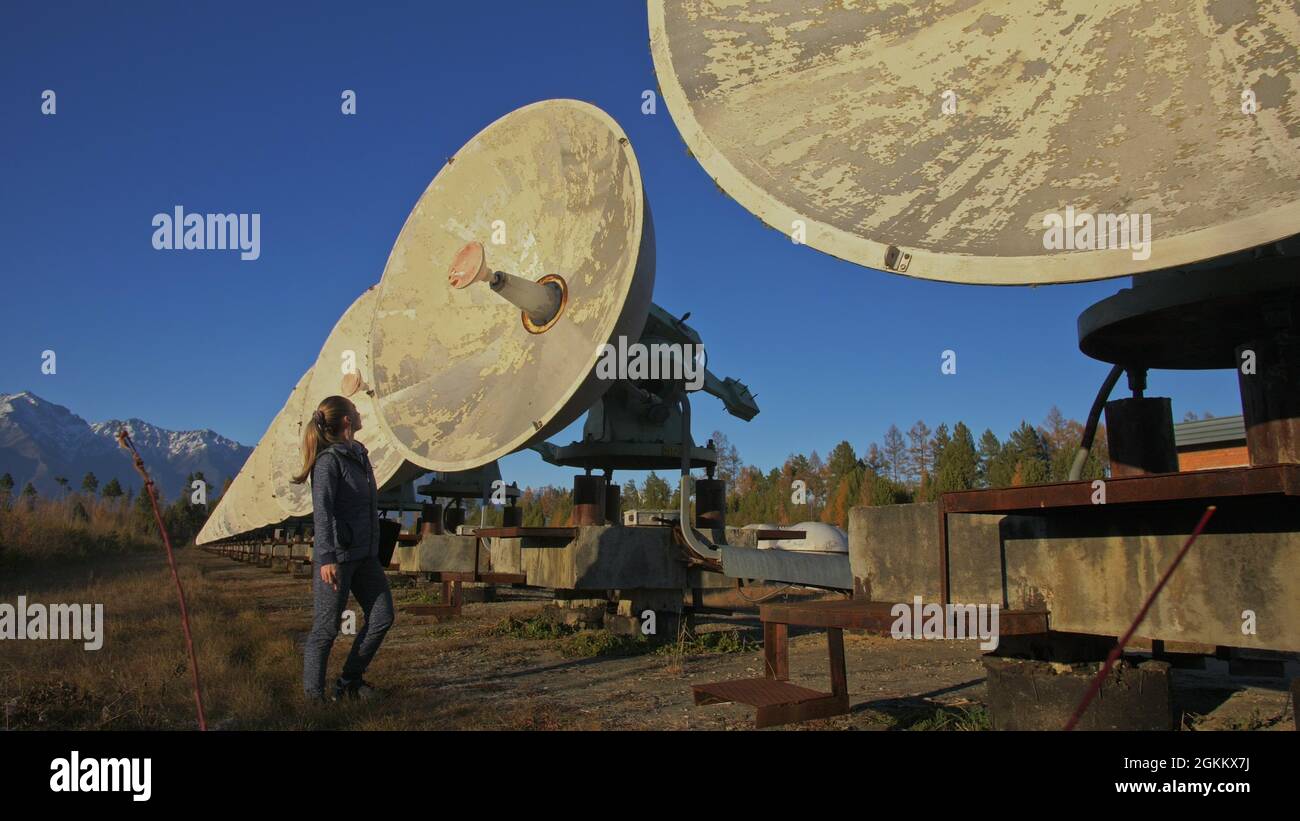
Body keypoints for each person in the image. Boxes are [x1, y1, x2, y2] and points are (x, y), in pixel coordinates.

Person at [291, 394, 394, 701]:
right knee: (326, 630)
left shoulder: (359, 456)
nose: (359, 412)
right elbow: (322, 511)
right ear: (347, 420)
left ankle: (349, 680)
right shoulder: (328, 463)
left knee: (382, 617)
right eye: (355, 409)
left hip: (365, 555)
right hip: (338, 558)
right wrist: (326, 558)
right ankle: (313, 700)